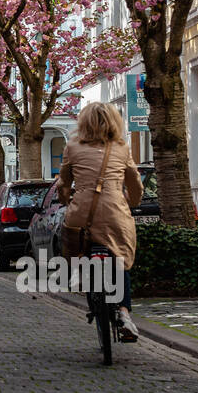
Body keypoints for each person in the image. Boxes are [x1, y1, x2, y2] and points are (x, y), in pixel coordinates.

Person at [57, 102, 144, 342]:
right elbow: (135, 182)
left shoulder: (72, 147)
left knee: (78, 252)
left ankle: (87, 287)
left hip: (81, 213)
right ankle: (124, 313)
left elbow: (64, 183)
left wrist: (66, 201)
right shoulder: (121, 148)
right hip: (115, 211)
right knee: (121, 260)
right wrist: (132, 202)